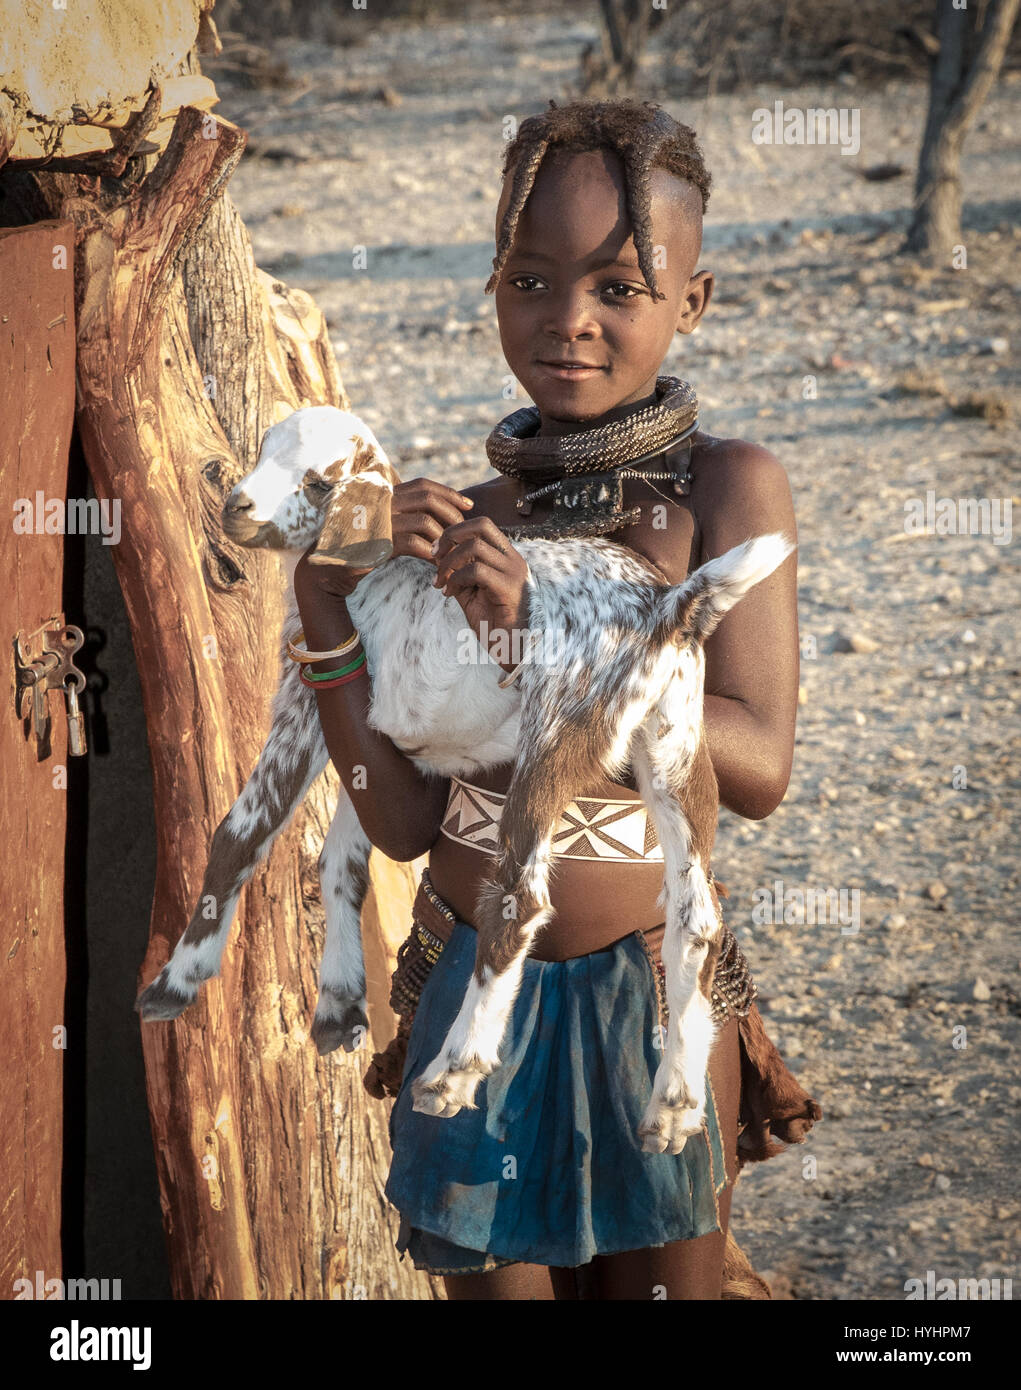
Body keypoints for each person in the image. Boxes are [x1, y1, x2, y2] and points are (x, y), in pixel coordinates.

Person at [293, 98, 818, 1300]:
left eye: (617, 288)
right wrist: (328, 598)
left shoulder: (725, 492)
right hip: (468, 977)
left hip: (650, 989)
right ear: (491, 285)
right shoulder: (465, 517)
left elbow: (757, 765)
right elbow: (406, 826)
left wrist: (558, 634)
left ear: (692, 302)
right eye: (529, 279)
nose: (566, 321)